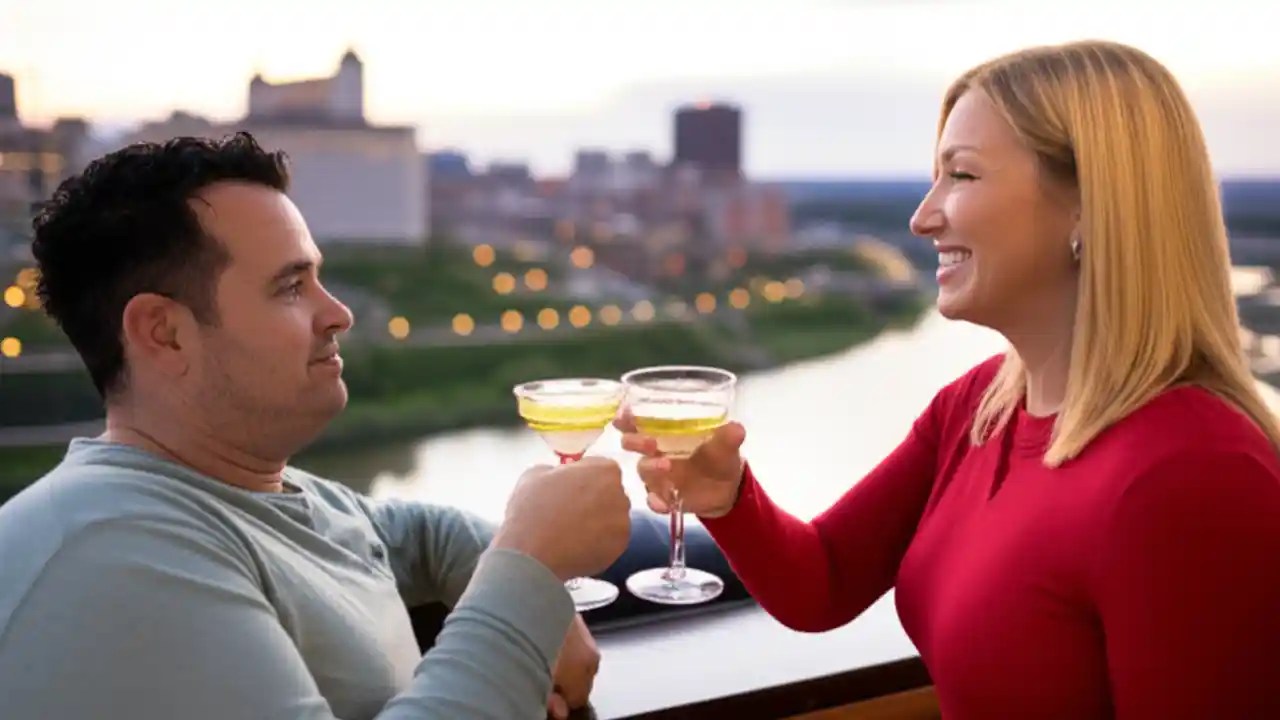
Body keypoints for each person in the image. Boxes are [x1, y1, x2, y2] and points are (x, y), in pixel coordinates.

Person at [619, 40, 1280, 719]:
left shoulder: (1194, 472)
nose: (922, 217)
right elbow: (823, 582)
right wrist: (726, 496)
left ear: (1088, 202)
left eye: (961, 176)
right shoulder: (980, 406)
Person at [0, 133, 632, 719]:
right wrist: (527, 572)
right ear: (164, 333)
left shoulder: (249, 493)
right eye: (290, 287)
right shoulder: (113, 552)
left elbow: (406, 536)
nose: (338, 314)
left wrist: (509, 571)